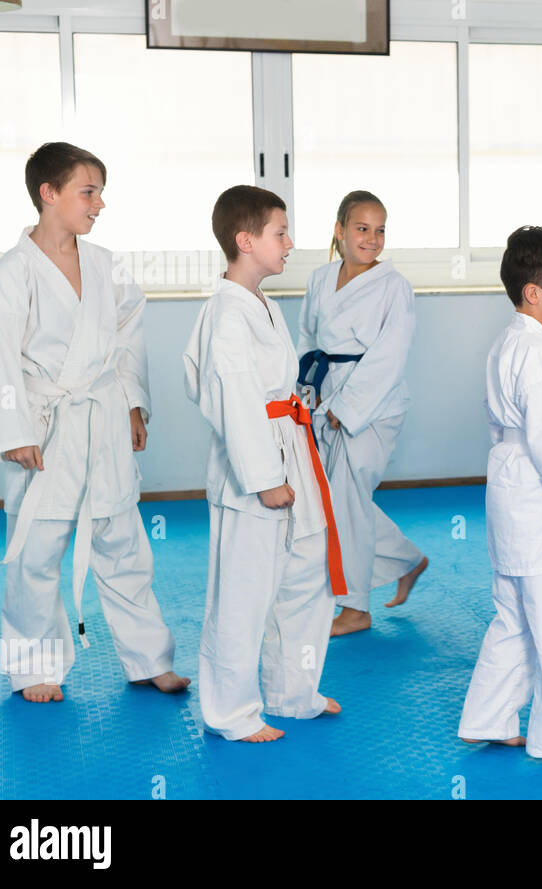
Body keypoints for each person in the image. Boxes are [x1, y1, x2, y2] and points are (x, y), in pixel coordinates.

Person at [0, 142, 187, 703]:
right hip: (46, 425)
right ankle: (36, 667)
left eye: (100, 193)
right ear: (50, 193)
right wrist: (14, 432)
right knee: (38, 552)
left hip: (104, 416)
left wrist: (134, 401)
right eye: (88, 192)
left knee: (123, 541)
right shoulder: (13, 273)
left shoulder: (106, 263)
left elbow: (129, 332)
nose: (99, 204)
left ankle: (148, 659)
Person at [182, 185, 345, 742]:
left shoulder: (265, 305)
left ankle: (292, 692)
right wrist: (264, 478)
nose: (291, 243)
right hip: (255, 469)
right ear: (244, 240)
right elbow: (230, 398)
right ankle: (231, 713)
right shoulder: (226, 314)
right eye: (280, 232)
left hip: (290, 447)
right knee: (245, 593)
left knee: (305, 577)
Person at [457, 226, 542, 759]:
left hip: (509, 486)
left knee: (513, 615)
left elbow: (518, 432)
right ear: (533, 292)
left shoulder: (506, 345)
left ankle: (489, 718)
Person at [296, 190, 428, 638]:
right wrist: (305, 394)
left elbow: (391, 356)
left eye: (380, 230)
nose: (372, 239)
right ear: (339, 230)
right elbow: (306, 339)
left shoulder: (394, 286)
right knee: (338, 499)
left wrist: (347, 407)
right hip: (325, 393)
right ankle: (406, 558)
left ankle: (355, 607)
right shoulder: (319, 278)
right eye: (362, 228)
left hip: (374, 405)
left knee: (346, 501)